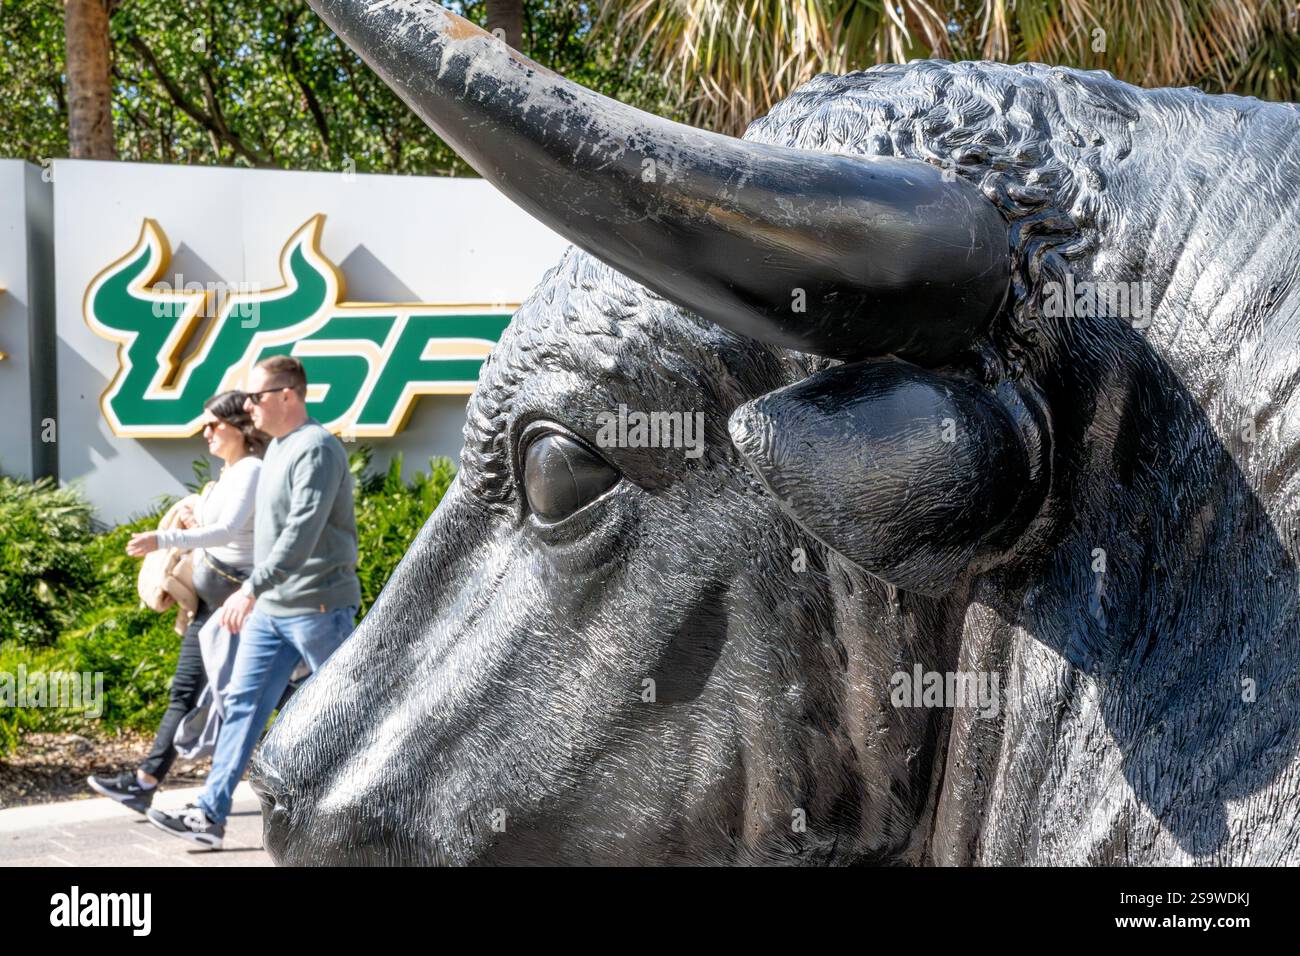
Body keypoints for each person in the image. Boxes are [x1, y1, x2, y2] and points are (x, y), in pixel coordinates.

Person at [147, 355, 361, 849]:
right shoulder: (278, 450)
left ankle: (381, 811)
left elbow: (300, 534)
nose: (248, 407)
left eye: (256, 397)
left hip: (317, 606)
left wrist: (249, 588)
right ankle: (209, 815)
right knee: (243, 704)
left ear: (288, 396)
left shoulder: (318, 450)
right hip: (272, 608)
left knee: (348, 712)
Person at [87, 391, 266, 812]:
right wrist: (192, 520)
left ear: (239, 426)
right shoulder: (228, 473)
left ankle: (314, 771)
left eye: (213, 425)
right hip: (210, 605)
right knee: (187, 692)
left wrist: (162, 538)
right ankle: (145, 781)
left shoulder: (252, 471)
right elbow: (218, 528)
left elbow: (225, 532)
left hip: (237, 605)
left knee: (271, 695)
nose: (205, 432)